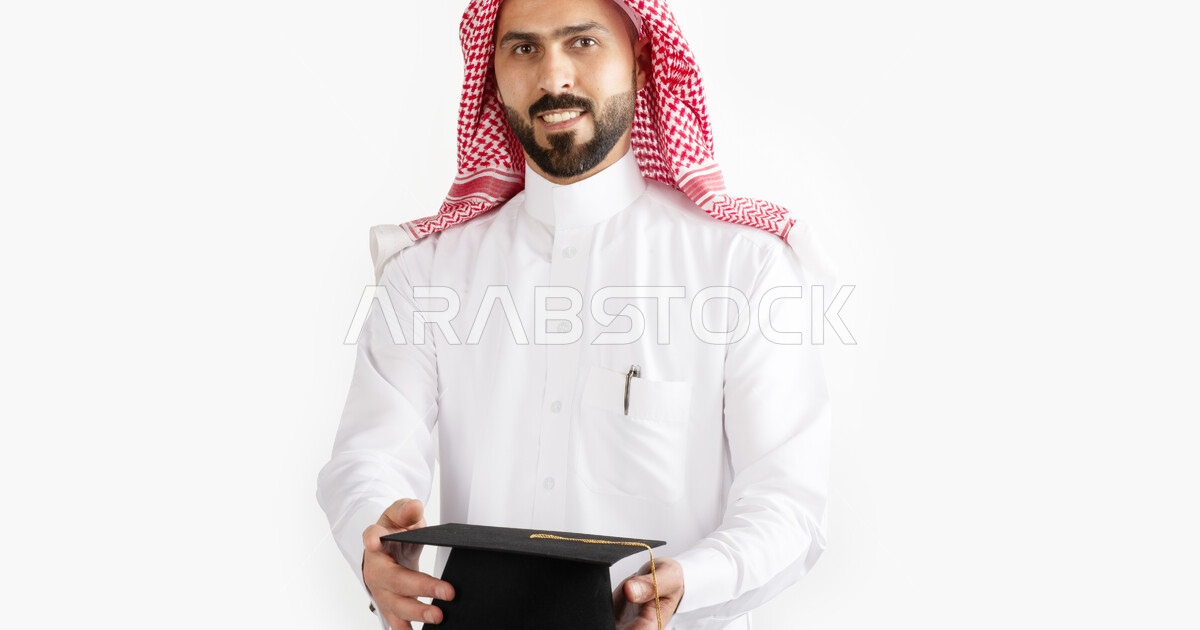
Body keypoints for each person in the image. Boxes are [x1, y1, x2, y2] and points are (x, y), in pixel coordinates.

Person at [316, 0, 833, 628]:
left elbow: (789, 501)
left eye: (582, 43)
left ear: (643, 61)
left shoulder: (742, 269)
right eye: (524, 48)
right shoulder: (427, 274)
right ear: (493, 69)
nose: (553, 77)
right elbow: (369, 457)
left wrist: (691, 583)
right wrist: (377, 542)